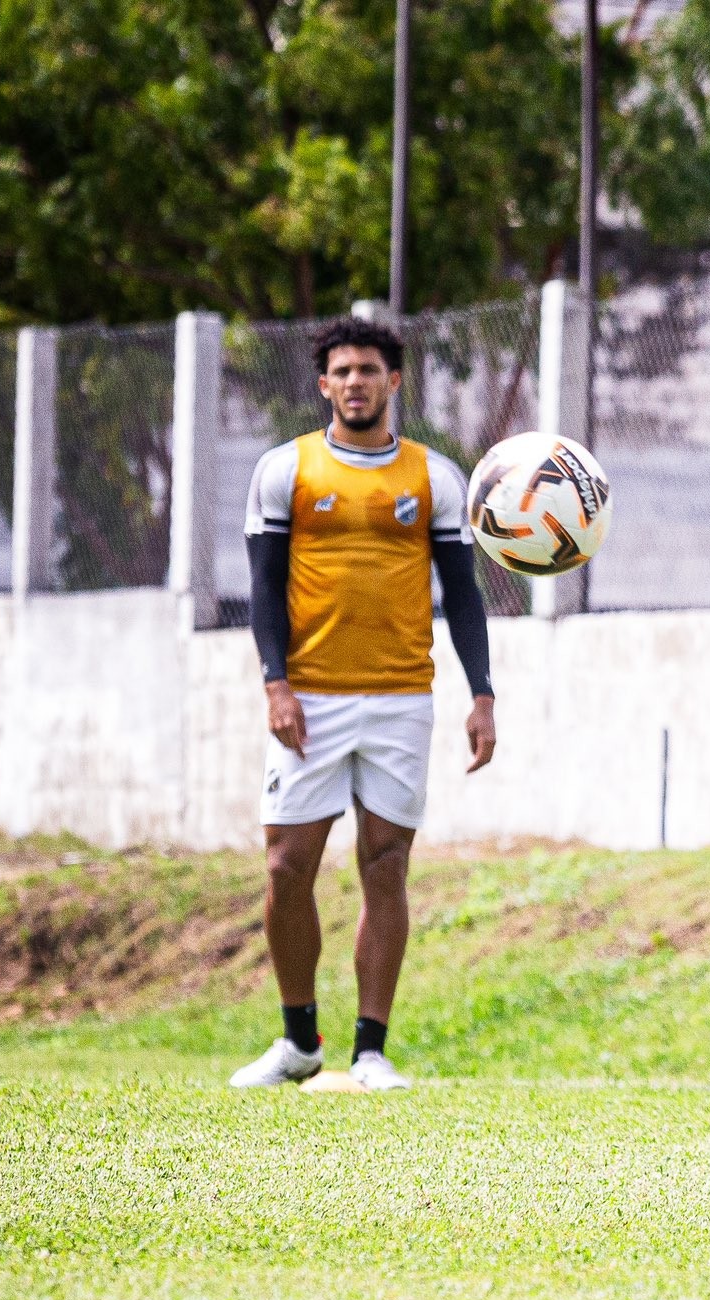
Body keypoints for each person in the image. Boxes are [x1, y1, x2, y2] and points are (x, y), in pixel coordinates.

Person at [228, 318, 497, 1092]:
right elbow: (263, 587)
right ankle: (298, 1042)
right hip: (308, 697)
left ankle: (371, 1051)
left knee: (386, 865)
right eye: (342, 371)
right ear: (323, 385)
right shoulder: (285, 470)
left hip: (400, 699)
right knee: (286, 867)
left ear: (393, 382)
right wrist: (275, 683)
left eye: (369, 370)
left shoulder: (434, 478)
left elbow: (464, 596)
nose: (355, 382)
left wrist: (482, 694)